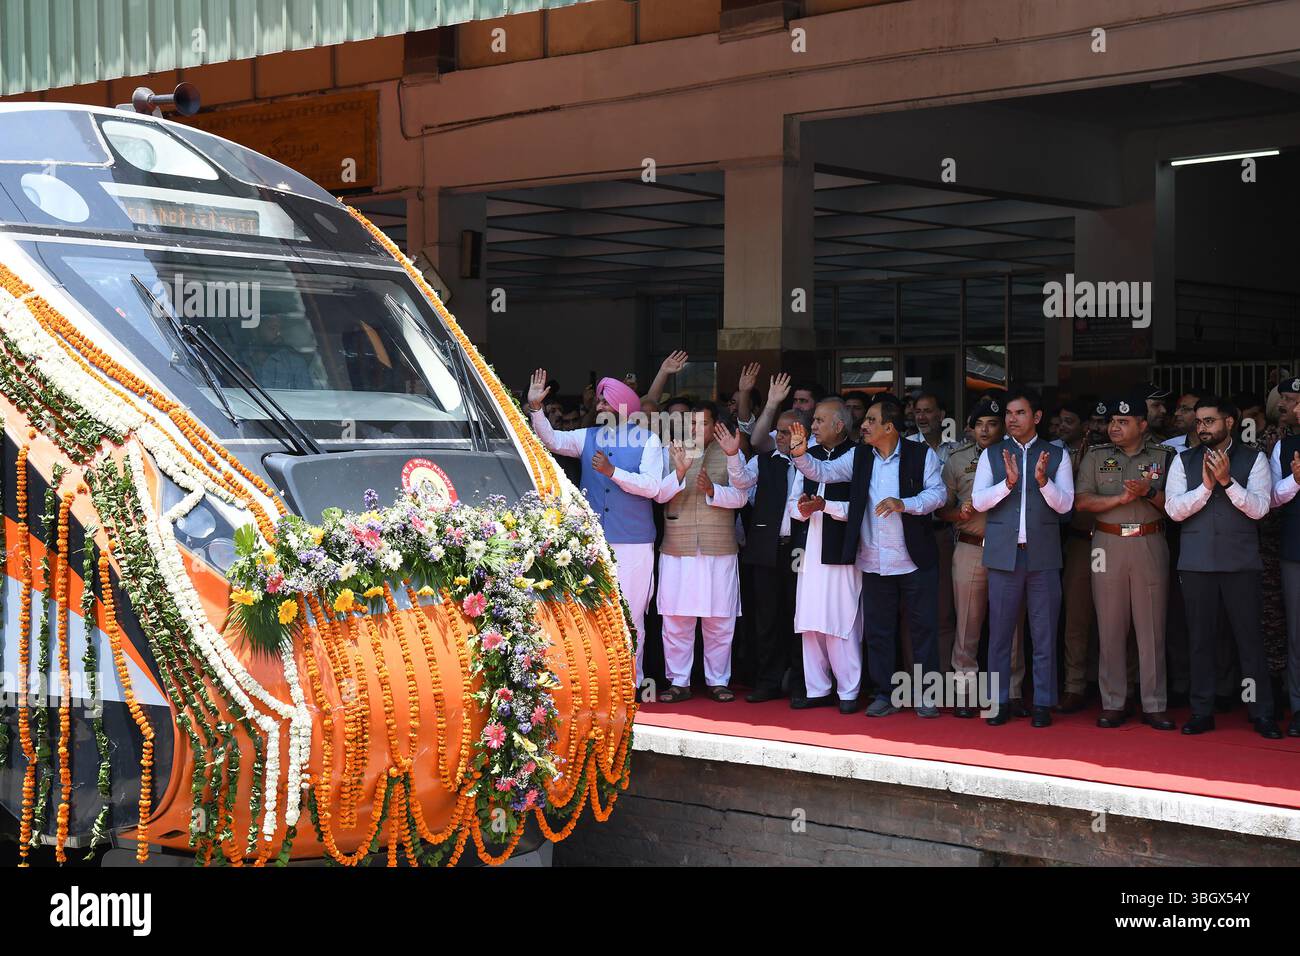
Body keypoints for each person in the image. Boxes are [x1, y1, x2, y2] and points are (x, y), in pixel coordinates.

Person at [788, 394, 947, 718]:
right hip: (874, 560)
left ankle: (927, 695)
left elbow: (939, 494)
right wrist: (801, 454)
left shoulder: (920, 454)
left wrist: (905, 504)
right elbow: (823, 471)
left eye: (871, 421)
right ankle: (883, 694)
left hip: (914, 559)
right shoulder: (860, 456)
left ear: (889, 426)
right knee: (878, 632)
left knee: (923, 630)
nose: (864, 425)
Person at [527, 370, 662, 692]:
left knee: (631, 613)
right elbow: (553, 440)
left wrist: (614, 473)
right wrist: (535, 409)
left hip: (634, 541)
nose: (599, 404)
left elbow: (653, 486)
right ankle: (600, 680)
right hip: (595, 541)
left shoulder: (649, 440)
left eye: (605, 399)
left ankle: (632, 681)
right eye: (600, 398)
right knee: (593, 609)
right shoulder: (587, 435)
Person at [1164, 396, 1281, 738]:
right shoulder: (1183, 461)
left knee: (1249, 641)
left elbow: (1260, 509)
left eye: (1209, 421)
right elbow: (1173, 510)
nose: (1202, 428)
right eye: (1199, 421)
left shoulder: (1253, 458)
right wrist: (1205, 488)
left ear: (1230, 422)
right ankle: (1202, 711)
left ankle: (1261, 712)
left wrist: (1229, 483)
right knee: (1200, 640)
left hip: (1241, 564)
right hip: (1197, 564)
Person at [972, 388, 1075, 727]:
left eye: (1019, 413)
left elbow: (1066, 506)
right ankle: (999, 701)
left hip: (1043, 555)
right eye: (1009, 414)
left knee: (1043, 633)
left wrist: (1043, 482)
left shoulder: (1056, 454)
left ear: (1037, 417)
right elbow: (978, 502)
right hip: (1004, 555)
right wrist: (1009, 484)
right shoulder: (992, 454)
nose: (1011, 419)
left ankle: (1043, 702)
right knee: (1000, 633)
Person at [1073, 392, 1175, 730]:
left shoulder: (1164, 455)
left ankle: (1154, 703)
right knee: (1110, 626)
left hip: (1149, 540)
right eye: (1113, 421)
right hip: (1106, 542)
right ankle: (1113, 701)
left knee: (1151, 628)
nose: (1115, 427)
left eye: (1123, 422)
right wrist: (1121, 497)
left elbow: (1178, 507)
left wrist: (1148, 492)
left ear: (1142, 425)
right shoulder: (1096, 456)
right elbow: (1082, 502)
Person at [653, 401, 747, 703]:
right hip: (677, 545)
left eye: (701, 424)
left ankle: (718, 681)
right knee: (676, 618)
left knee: (719, 617)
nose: (694, 429)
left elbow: (742, 498)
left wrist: (712, 492)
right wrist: (679, 474)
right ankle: (679, 681)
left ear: (715, 425)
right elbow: (658, 494)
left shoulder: (731, 452)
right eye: (690, 424)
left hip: (717, 546)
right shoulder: (671, 451)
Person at [939, 397, 1026, 716]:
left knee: (1011, 624)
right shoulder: (957, 460)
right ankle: (964, 692)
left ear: (1002, 426)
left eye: (992, 423)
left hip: (1010, 548)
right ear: (971, 428)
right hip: (971, 545)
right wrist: (956, 515)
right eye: (979, 424)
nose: (986, 429)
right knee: (967, 624)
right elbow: (941, 508)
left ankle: (1012, 691)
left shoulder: (1017, 455)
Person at [721, 409, 811, 705]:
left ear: (802, 433)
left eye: (787, 432)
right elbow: (741, 483)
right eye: (778, 431)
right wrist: (734, 455)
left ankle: (802, 684)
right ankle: (768, 681)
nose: (780, 437)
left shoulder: (815, 463)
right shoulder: (763, 460)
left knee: (799, 619)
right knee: (766, 618)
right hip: (766, 550)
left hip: (801, 550)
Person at [787, 399, 862, 713]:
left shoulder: (859, 455)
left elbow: (861, 509)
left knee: (842, 620)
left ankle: (849, 691)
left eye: (819, 420)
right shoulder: (809, 457)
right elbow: (792, 503)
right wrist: (804, 510)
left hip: (842, 548)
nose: (813, 426)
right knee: (811, 621)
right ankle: (817, 688)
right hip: (809, 548)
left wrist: (825, 507)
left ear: (839, 425)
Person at [907, 391, 961, 675]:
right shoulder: (904, 448)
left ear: (941, 415)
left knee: (943, 609)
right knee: (912, 610)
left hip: (943, 533)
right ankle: (913, 679)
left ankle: (942, 677)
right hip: (911, 533)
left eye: (928, 411)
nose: (922, 417)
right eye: (918, 411)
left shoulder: (957, 450)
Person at [1056, 400, 1099, 714]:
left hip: (1115, 539)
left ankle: (1123, 685)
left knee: (1117, 621)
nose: (1098, 429)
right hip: (1079, 542)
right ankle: (1074, 685)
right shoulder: (1060, 455)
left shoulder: (1116, 454)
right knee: (1076, 618)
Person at [1269, 377, 1300, 737]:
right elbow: (1274, 498)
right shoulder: (1283, 446)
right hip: (1295, 548)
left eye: (1297, 400)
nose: (1291, 407)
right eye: (1288, 400)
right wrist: (1295, 480)